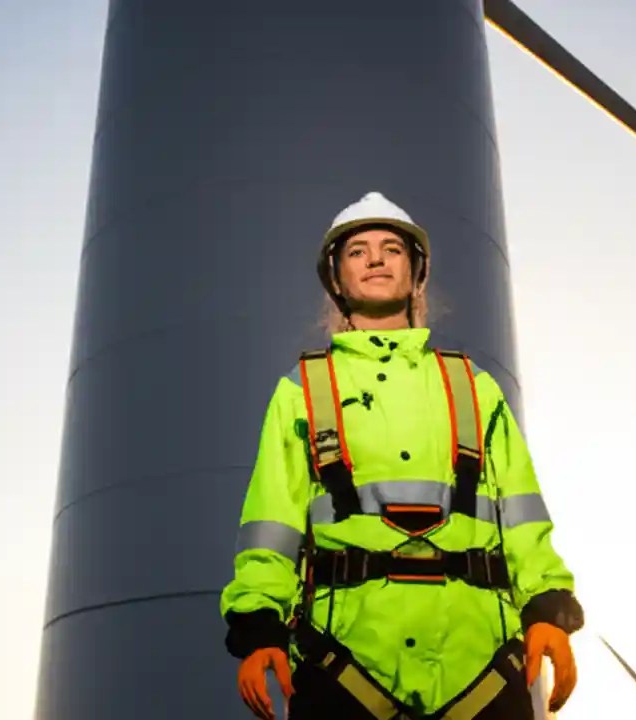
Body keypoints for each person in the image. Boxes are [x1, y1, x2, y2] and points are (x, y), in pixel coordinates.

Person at [220, 191, 584, 719]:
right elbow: (271, 522)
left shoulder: (474, 387)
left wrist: (547, 608)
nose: (375, 259)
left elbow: (524, 515)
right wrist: (258, 626)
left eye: (392, 248)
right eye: (357, 251)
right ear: (336, 278)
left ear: (416, 274)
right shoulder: (301, 390)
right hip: (342, 668)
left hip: (480, 666)